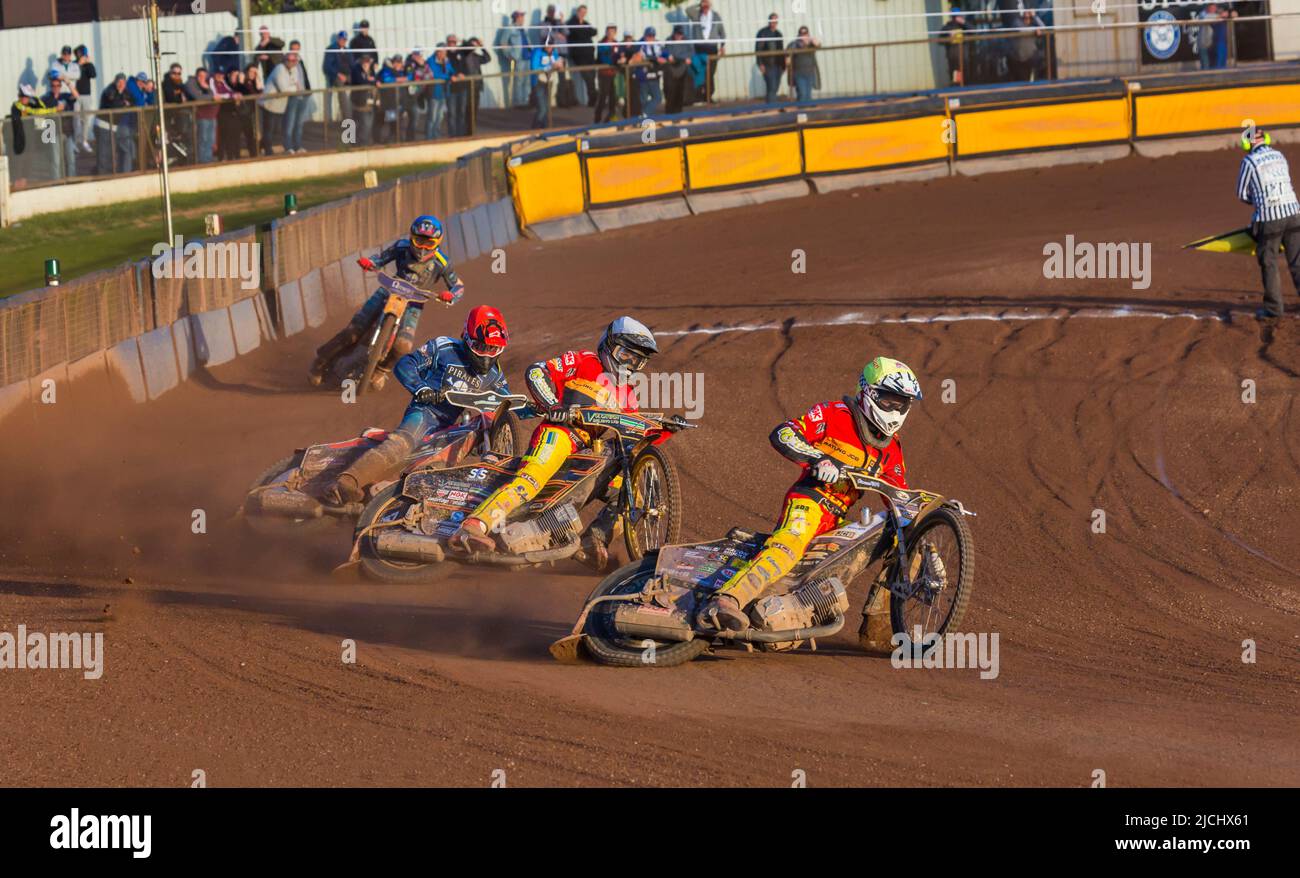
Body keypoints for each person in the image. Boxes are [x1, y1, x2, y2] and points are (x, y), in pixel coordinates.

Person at [697, 358, 923, 631]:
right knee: (789, 545)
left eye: (903, 402)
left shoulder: (892, 448)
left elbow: (898, 496)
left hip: (838, 519)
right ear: (869, 393)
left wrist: (927, 530)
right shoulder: (834, 413)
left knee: (901, 538)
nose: (896, 408)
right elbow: (784, 433)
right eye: (890, 399)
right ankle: (726, 600)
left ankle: (883, 629)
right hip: (809, 500)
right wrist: (818, 459)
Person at [449, 317, 659, 568]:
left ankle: (594, 540)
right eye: (625, 355)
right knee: (529, 481)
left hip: (588, 452)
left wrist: (660, 427)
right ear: (609, 345)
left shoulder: (627, 394)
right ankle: (473, 525)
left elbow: (631, 428)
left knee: (628, 489)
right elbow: (537, 371)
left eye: (636, 360)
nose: (629, 364)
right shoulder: (583, 360)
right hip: (559, 433)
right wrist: (553, 406)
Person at [324, 306, 512, 505]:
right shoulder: (444, 347)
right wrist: (421, 388)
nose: (486, 355)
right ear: (466, 338)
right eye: (480, 347)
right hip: (424, 412)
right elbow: (405, 364)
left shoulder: (495, 376)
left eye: (492, 349)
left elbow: (508, 404)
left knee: (442, 465)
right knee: (402, 443)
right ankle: (347, 482)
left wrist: (538, 407)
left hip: (449, 428)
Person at [309, 215, 466, 388]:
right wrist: (370, 263)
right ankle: (321, 361)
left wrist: (451, 295)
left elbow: (457, 285)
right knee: (353, 331)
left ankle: (381, 371)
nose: (422, 248)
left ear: (437, 243)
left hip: (414, 302)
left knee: (403, 346)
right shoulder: (401, 247)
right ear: (411, 237)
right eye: (418, 241)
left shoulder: (442, 262)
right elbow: (380, 259)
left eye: (428, 243)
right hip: (388, 290)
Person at [1238, 128, 1300, 319]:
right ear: (1265, 139)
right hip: (1294, 213)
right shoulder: (1280, 155)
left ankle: (1273, 309)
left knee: (1269, 262)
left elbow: (1241, 194)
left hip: (1269, 219)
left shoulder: (1248, 162)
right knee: (1297, 261)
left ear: (1247, 144)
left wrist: (1257, 200)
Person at [687, 0, 727, 103]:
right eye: (703, 4)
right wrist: (699, 5)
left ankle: (708, 95)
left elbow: (722, 32)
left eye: (707, 4)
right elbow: (688, 10)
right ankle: (699, 96)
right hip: (700, 48)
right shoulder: (696, 15)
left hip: (711, 48)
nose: (705, 6)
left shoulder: (716, 16)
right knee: (700, 71)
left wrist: (722, 46)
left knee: (711, 72)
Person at [96, 73, 134, 173]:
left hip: (113, 126)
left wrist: (126, 102)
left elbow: (132, 101)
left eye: (123, 82)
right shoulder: (110, 90)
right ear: (115, 82)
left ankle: (108, 173)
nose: (121, 84)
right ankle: (103, 176)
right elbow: (114, 105)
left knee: (110, 152)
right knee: (104, 153)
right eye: (119, 82)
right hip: (103, 125)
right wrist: (124, 103)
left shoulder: (124, 91)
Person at [45, 74, 78, 178]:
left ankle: (72, 180)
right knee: (55, 160)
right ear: (51, 87)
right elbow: (40, 111)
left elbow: (77, 96)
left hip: (67, 132)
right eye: (53, 86)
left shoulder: (65, 96)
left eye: (58, 85)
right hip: (53, 133)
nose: (56, 87)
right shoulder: (46, 98)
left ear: (60, 86)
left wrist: (67, 81)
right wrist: (56, 109)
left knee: (71, 159)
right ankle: (56, 183)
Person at [182, 66, 217, 163]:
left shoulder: (207, 83)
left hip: (210, 115)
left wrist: (208, 90)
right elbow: (198, 97)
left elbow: (214, 95)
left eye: (204, 76)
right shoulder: (190, 83)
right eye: (200, 76)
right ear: (196, 75)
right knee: (202, 139)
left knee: (210, 139)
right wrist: (210, 94)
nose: (202, 78)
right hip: (199, 116)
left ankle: (208, 158)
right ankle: (202, 160)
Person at [499, 10, 533, 109]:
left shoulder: (523, 29)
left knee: (527, 80)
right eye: (521, 17)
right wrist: (509, 55)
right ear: (516, 18)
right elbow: (503, 43)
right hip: (518, 58)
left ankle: (526, 101)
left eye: (523, 16)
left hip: (527, 56)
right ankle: (519, 103)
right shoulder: (510, 29)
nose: (523, 19)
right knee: (519, 80)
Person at [566, 6, 598, 107]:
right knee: (588, 77)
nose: (583, 14)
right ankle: (593, 98)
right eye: (582, 12)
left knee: (592, 77)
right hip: (579, 56)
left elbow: (594, 32)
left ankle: (593, 100)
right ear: (577, 12)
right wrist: (585, 31)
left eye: (585, 12)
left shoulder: (585, 23)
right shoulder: (571, 23)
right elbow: (576, 33)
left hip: (589, 55)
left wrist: (584, 30)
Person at [530, 38, 563, 129]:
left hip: (549, 82)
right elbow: (534, 67)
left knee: (547, 107)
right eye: (547, 45)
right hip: (539, 82)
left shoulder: (554, 53)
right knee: (542, 107)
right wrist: (550, 67)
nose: (549, 47)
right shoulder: (537, 52)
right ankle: (535, 128)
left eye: (551, 45)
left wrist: (559, 66)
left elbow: (557, 63)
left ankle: (543, 128)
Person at [324, 30, 352, 130]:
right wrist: (338, 74)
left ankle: (357, 115)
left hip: (348, 75)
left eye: (344, 39)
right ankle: (348, 121)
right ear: (338, 39)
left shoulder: (348, 50)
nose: (343, 41)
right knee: (343, 95)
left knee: (360, 84)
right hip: (336, 77)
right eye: (341, 39)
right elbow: (327, 67)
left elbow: (352, 65)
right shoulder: (331, 49)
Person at [635, 28, 666, 117]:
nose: (650, 38)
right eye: (649, 36)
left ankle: (645, 114)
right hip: (643, 76)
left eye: (652, 36)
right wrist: (656, 59)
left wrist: (667, 56)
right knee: (643, 99)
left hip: (654, 76)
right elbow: (642, 55)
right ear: (645, 36)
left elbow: (664, 52)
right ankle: (645, 117)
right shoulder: (640, 44)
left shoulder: (657, 44)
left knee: (657, 97)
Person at [349, 53, 378, 146]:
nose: (366, 64)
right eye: (364, 61)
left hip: (370, 102)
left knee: (366, 125)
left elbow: (375, 80)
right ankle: (360, 145)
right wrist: (371, 81)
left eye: (368, 62)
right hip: (360, 102)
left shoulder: (371, 70)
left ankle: (358, 144)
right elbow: (361, 81)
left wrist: (371, 80)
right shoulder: (356, 70)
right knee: (364, 125)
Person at [755, 13, 785, 104]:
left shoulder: (778, 34)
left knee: (775, 86)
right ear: (769, 21)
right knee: (771, 86)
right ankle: (772, 106)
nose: (774, 23)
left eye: (775, 21)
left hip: (778, 65)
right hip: (768, 64)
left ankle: (770, 104)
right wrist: (760, 64)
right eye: (772, 20)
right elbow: (758, 49)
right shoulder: (762, 33)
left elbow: (781, 50)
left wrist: (783, 65)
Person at [664, 26, 694, 114]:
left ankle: (678, 112)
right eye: (677, 34)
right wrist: (684, 58)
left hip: (682, 70)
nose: (679, 36)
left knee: (680, 92)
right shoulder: (669, 40)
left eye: (680, 34)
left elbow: (692, 52)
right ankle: (669, 113)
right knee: (670, 92)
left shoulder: (686, 40)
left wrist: (681, 58)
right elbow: (672, 54)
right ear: (674, 34)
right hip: (672, 71)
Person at [594, 24, 620, 123]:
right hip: (604, 74)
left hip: (614, 74)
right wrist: (615, 60)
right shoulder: (602, 43)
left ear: (615, 33)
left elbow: (619, 54)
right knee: (603, 97)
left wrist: (620, 58)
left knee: (613, 97)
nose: (610, 34)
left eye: (612, 32)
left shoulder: (617, 43)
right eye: (608, 32)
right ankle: (597, 119)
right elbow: (603, 57)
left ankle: (610, 118)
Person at [787, 26, 821, 103]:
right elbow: (787, 53)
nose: (803, 35)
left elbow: (819, 45)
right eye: (801, 33)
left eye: (805, 33)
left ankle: (807, 112)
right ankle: (801, 111)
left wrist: (813, 41)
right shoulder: (794, 44)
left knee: (808, 94)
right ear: (799, 34)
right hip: (798, 73)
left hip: (810, 72)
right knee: (802, 93)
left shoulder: (811, 44)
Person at [428, 44, 454, 138]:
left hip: (443, 93)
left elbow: (451, 70)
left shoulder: (446, 61)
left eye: (445, 52)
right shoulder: (430, 61)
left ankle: (437, 136)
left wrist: (457, 74)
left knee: (440, 117)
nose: (444, 54)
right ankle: (429, 138)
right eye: (443, 52)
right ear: (438, 52)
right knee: (432, 117)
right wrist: (449, 77)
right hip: (434, 92)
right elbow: (435, 74)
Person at [941, 7, 971, 86]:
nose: (956, 19)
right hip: (953, 55)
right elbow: (940, 38)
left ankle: (966, 86)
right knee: (955, 72)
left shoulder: (964, 26)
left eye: (958, 16)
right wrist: (948, 35)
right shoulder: (948, 26)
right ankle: (957, 86)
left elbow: (974, 31)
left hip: (963, 54)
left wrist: (964, 23)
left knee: (965, 71)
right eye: (954, 17)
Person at [74, 45, 96, 153]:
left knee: (86, 119)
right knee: (76, 119)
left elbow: (93, 75)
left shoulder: (88, 65)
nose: (79, 55)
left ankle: (84, 140)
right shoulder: (74, 64)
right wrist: (79, 64)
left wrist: (88, 63)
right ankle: (76, 141)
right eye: (78, 53)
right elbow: (74, 75)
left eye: (81, 53)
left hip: (86, 95)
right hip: (76, 95)